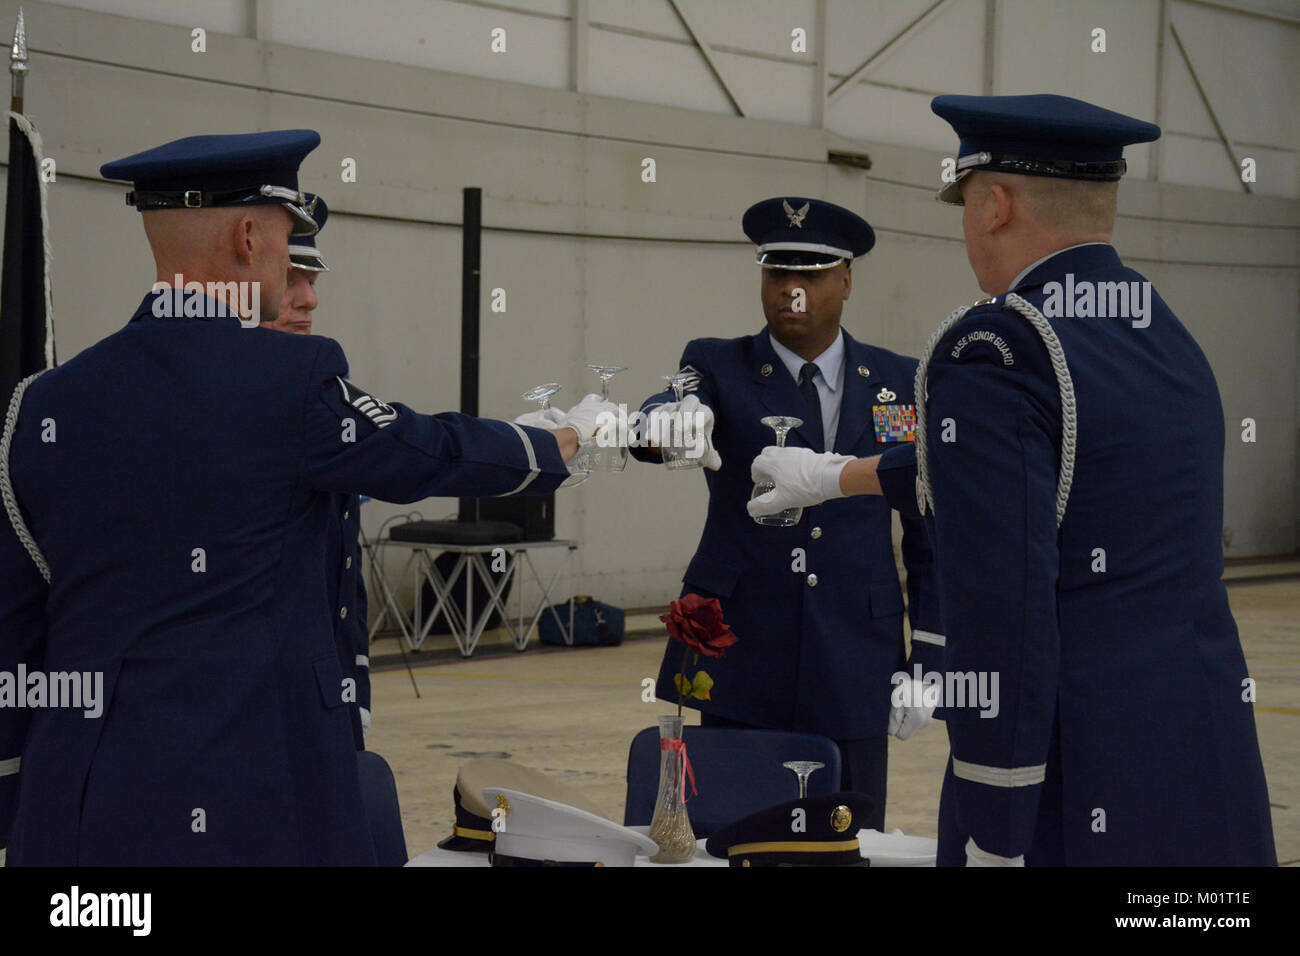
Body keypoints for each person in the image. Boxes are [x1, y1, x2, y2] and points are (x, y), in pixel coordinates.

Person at [0, 129, 613, 865]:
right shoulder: (290, 382)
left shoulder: (36, 408)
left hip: (81, 813)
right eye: (290, 237)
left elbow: (15, 637)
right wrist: (560, 442)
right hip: (249, 804)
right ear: (249, 235)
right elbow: (424, 451)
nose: (294, 265)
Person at [748, 94, 1276, 866]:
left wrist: (997, 820)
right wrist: (837, 476)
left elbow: (1005, 606)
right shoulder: (1156, 328)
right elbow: (1051, 478)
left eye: (964, 202)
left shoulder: (998, 345)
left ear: (995, 203)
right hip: (1200, 751)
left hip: (1071, 776)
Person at [629, 197, 945, 828]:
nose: (792, 291)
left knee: (847, 836)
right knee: (730, 829)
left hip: (856, 651)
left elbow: (927, 530)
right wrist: (663, 422)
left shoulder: (899, 381)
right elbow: (663, 413)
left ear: (847, 279)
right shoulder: (719, 364)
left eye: (813, 274)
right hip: (740, 649)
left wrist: (931, 655)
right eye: (778, 274)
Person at [259, 195, 370, 749]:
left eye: (312, 280)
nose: (310, 300)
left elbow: (344, 567)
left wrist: (356, 688)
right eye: (289, 279)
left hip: (323, 692)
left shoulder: (319, 399)